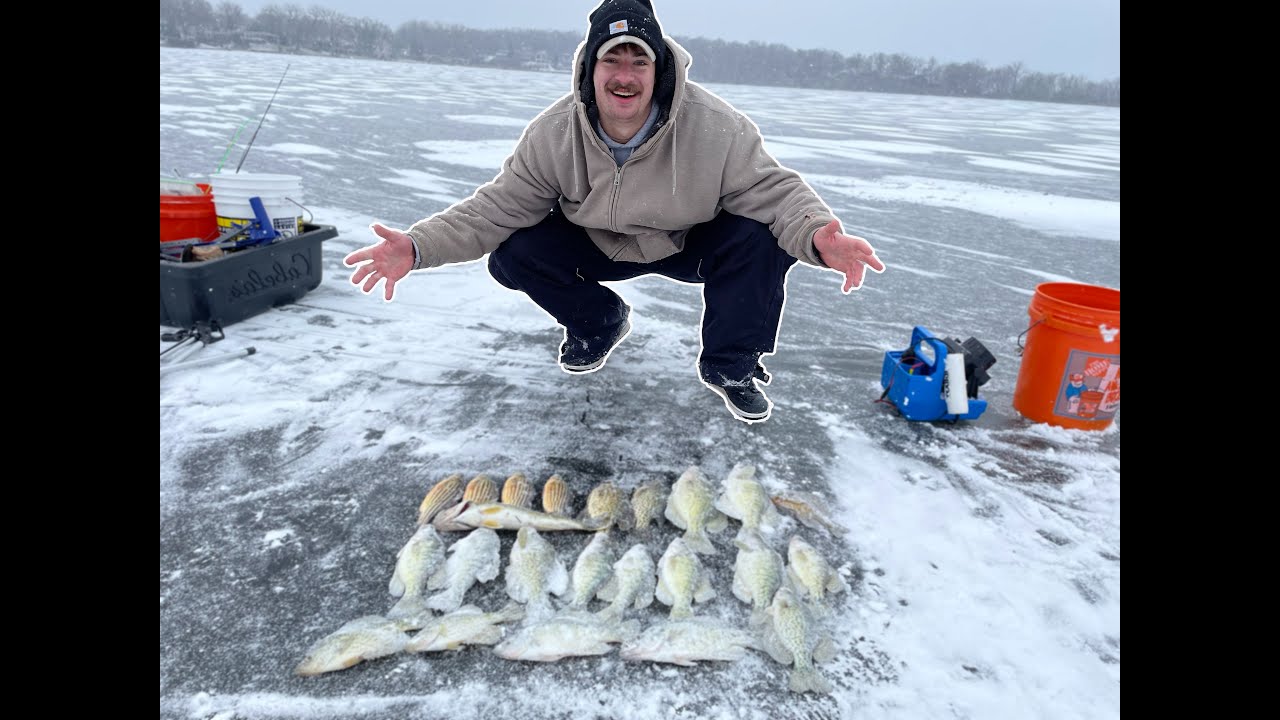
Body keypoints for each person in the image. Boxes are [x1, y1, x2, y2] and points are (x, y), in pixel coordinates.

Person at [343, 0, 885, 424]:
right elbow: (495, 209)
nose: (624, 75)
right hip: (598, 243)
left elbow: (775, 193)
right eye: (612, 58)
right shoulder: (554, 134)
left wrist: (819, 237)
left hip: (686, 241)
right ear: (589, 67)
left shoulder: (716, 126)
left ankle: (732, 363)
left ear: (660, 70)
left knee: (761, 238)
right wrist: (417, 247)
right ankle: (598, 324)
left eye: (638, 60)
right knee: (513, 251)